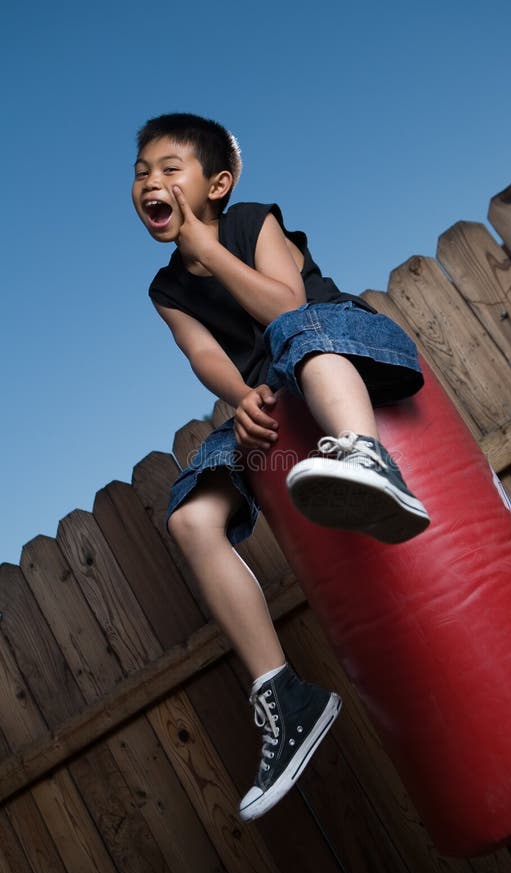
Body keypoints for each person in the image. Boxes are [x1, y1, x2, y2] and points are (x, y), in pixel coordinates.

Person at [132, 113, 430, 821]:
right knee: (190, 517)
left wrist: (210, 248)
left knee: (297, 334)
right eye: (141, 173)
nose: (150, 182)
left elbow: (286, 305)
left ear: (217, 184)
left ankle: (367, 455)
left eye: (170, 168)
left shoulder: (252, 221)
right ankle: (282, 694)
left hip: (338, 345)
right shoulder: (166, 290)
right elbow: (205, 354)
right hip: (268, 390)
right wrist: (240, 398)